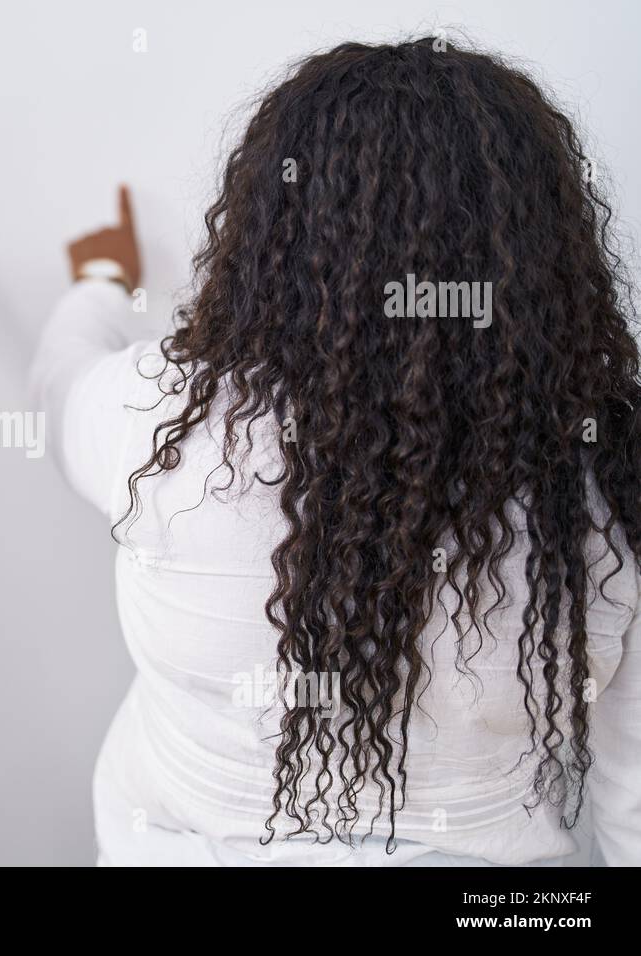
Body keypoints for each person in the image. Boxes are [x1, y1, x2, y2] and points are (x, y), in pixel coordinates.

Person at [33, 39, 641, 866]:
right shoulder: (609, 477)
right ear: (543, 250)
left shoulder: (162, 418)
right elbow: (633, 789)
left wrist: (102, 277)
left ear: (276, 231)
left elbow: (60, 380)